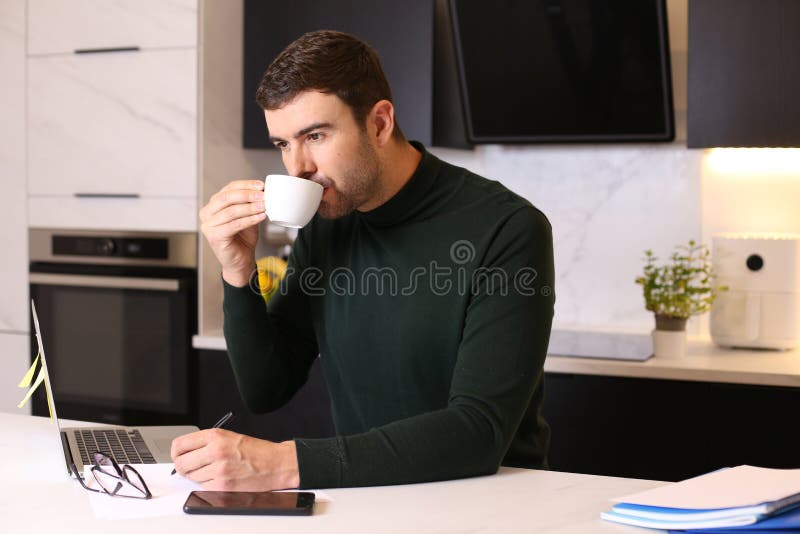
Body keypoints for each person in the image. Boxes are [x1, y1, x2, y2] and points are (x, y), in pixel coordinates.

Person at [174, 30, 555, 490]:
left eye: (314, 135)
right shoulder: (329, 222)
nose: (297, 167)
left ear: (379, 123)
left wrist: (282, 463)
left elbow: (479, 432)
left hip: (492, 503)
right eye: (282, 144)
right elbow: (267, 389)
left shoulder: (508, 229)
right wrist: (238, 272)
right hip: (371, 498)